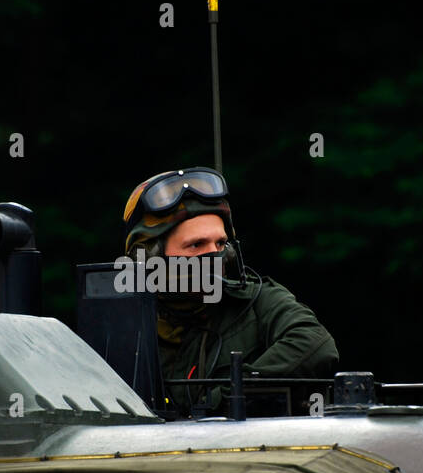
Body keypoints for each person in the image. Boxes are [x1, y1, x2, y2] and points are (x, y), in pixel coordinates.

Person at [121, 167, 339, 415]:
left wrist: (229, 396)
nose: (215, 256)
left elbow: (315, 345)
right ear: (151, 257)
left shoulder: (256, 300)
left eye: (221, 243)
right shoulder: (123, 324)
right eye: (196, 245)